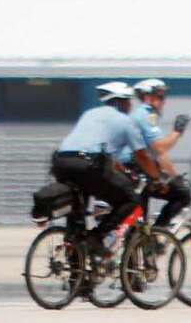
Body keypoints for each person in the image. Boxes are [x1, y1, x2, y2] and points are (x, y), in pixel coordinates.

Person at [51, 81, 161, 253]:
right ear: (120, 101)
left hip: (61, 162)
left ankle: (77, 271)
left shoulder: (90, 114)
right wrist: (156, 177)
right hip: (88, 164)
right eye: (128, 101)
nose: (131, 105)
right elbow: (142, 156)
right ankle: (97, 238)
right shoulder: (126, 122)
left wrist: (124, 172)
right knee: (130, 200)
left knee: (77, 213)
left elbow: (109, 157)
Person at [132, 78, 191, 231]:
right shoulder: (146, 115)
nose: (164, 102)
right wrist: (177, 132)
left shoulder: (143, 115)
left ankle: (146, 242)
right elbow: (160, 148)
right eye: (160, 97)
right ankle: (157, 233)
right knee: (183, 195)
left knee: (140, 225)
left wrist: (174, 175)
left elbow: (159, 154)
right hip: (139, 171)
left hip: (139, 170)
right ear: (148, 97)